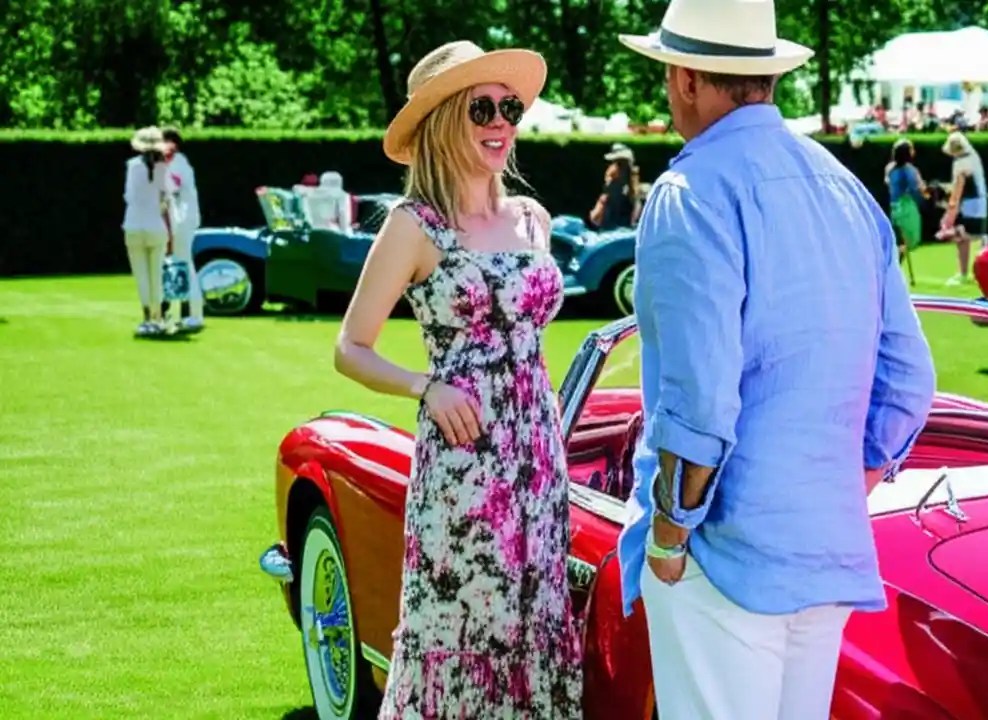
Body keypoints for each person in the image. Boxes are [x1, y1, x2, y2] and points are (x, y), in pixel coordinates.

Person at [615, 1, 937, 718]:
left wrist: (669, 533)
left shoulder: (689, 192)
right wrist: (842, 484)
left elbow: (701, 399)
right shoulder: (844, 186)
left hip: (720, 547)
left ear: (687, 78)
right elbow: (910, 379)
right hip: (824, 542)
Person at [332, 39, 582, 719]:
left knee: (535, 617)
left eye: (510, 109)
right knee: (469, 624)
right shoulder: (413, 227)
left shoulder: (532, 219)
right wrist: (425, 387)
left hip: (538, 454)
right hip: (464, 464)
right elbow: (350, 347)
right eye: (482, 109)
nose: (501, 123)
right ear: (444, 121)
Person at [122, 126, 172, 337]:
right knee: (156, 275)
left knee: (141, 275)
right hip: (155, 226)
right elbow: (166, 198)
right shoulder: (163, 169)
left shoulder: (132, 166)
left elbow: (129, 196)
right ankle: (157, 317)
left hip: (134, 225)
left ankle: (146, 318)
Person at [162, 127, 204, 332]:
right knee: (176, 266)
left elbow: (171, 188)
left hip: (183, 221)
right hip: (176, 222)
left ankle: (194, 315)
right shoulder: (171, 163)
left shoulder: (180, 164)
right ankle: (179, 312)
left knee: (185, 265)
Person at [939, 130, 987, 286]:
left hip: (969, 206)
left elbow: (958, 190)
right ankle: (974, 273)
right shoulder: (974, 157)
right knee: (970, 237)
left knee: (962, 239)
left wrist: (949, 213)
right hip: (980, 204)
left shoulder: (960, 164)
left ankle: (963, 273)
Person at [885, 138, 928, 284]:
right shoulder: (910, 170)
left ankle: (893, 271)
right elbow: (918, 188)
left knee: (899, 240)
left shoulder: (890, 169)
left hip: (894, 206)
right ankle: (893, 271)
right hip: (907, 206)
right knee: (908, 240)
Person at [588, 143, 641, 229]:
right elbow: (595, 218)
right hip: (610, 230)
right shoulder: (610, 186)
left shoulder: (635, 191)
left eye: (623, 164)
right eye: (619, 163)